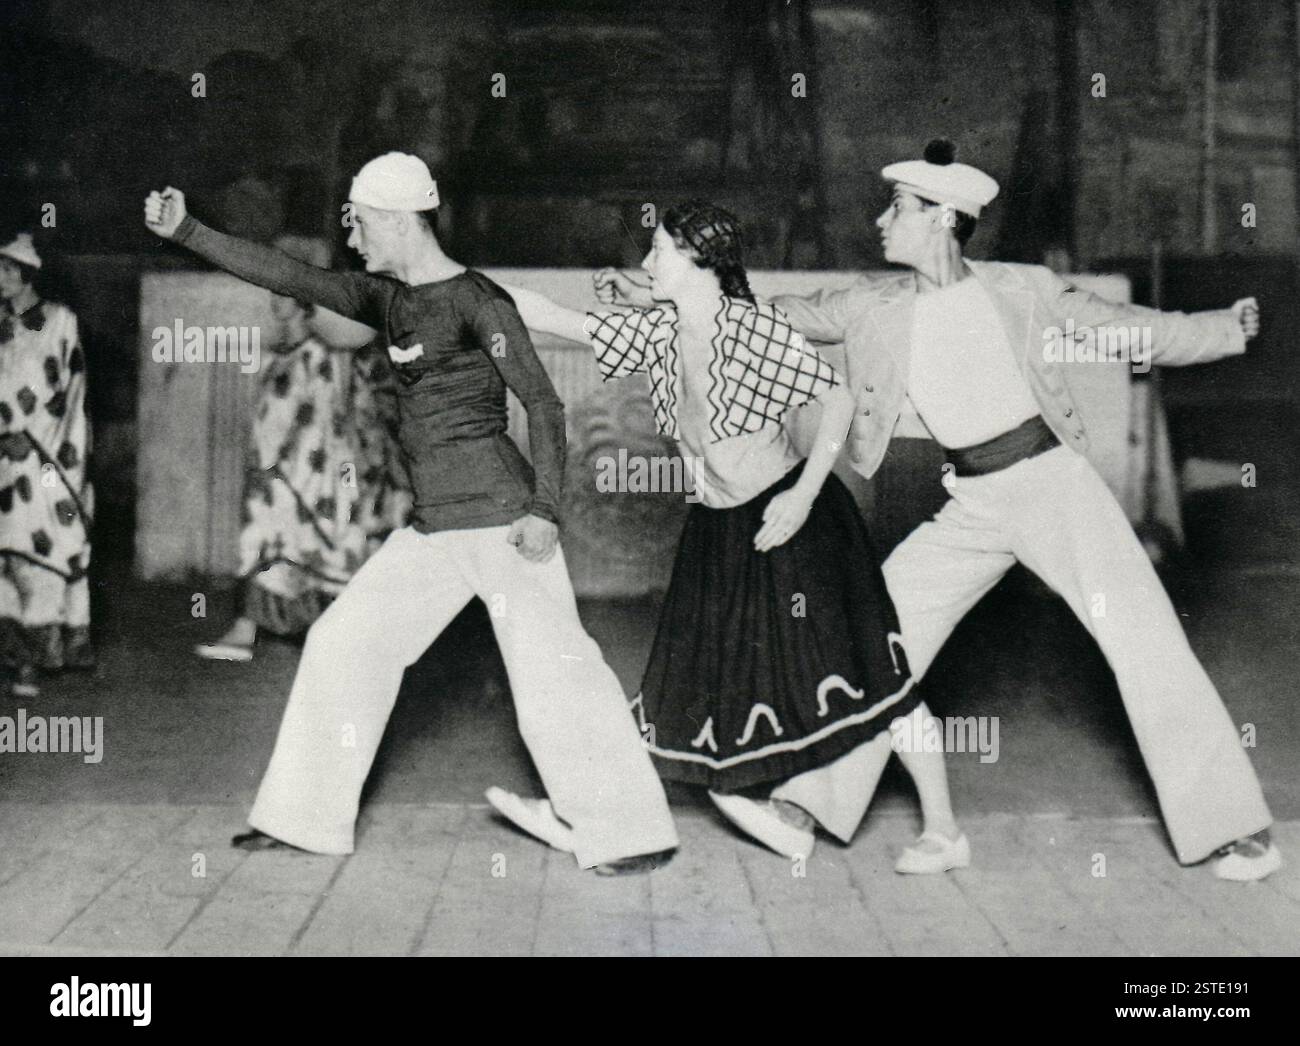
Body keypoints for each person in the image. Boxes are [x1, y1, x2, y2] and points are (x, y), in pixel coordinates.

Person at [144, 152, 678, 875]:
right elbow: (289, 276)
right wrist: (189, 232)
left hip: (508, 522)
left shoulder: (479, 300)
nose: (353, 238)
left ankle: (629, 834)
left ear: (398, 220)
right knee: (342, 642)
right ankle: (305, 821)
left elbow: (544, 406)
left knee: (556, 671)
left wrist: (546, 510)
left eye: (361, 224)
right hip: (434, 529)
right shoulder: (383, 299)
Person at [768, 139, 1279, 882]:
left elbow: (1127, 328)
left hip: (1052, 489)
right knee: (880, 638)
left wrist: (1224, 329)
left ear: (943, 218)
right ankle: (810, 803)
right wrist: (685, 303)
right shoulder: (872, 305)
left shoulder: (1024, 290)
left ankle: (1236, 831)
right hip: (971, 503)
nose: (882, 221)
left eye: (899, 208)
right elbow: (784, 315)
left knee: (1146, 643)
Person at [502, 201, 967, 871]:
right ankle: (590, 811)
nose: (646, 262)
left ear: (699, 262)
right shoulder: (663, 332)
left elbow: (835, 398)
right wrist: (457, 286)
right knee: (670, 692)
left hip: (791, 523)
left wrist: (804, 498)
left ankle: (945, 830)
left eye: (659, 250)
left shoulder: (748, 332)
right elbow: (558, 320)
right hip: (719, 532)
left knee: (873, 682)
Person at [196, 238, 411, 661]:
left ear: (304, 300)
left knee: (315, 544)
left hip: (317, 474)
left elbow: (343, 413)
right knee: (269, 539)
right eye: (272, 290)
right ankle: (249, 627)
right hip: (279, 473)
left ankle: (286, 630)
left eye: (284, 292)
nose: (275, 300)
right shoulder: (286, 354)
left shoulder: (328, 351)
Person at [0, 232, 95, 698]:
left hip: (44, 458)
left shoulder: (59, 321)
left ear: (25, 273)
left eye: (5, 269)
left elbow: (64, 389)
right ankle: (13, 653)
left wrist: (29, 436)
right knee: (6, 558)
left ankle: (33, 660)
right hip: (2, 458)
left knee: (37, 550)